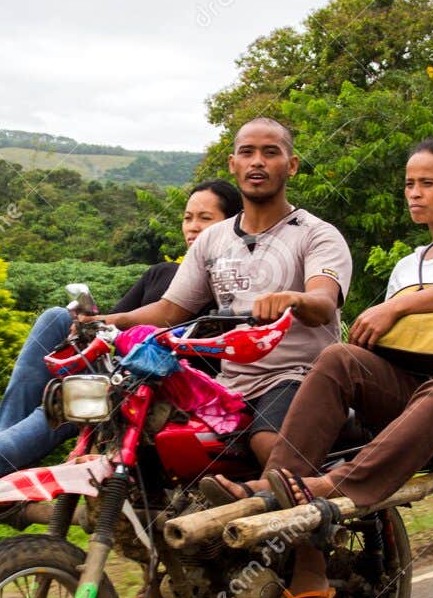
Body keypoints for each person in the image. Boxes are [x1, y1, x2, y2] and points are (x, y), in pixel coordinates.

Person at [208, 137, 433, 598]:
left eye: (427, 183)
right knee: (339, 358)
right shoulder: (409, 265)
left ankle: (327, 487)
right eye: (408, 184)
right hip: (416, 386)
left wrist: (394, 305)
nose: (414, 194)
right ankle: (274, 487)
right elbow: (400, 342)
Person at [0, 179, 242, 497]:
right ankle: (0, 445)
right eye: (187, 218)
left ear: (228, 226)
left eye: (205, 218)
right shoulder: (162, 274)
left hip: (162, 387)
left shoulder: (229, 286)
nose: (193, 227)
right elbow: (108, 325)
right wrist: (84, 322)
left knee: (76, 394)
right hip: (118, 368)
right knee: (55, 318)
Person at [93, 118, 353, 466]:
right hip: (230, 382)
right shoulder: (213, 239)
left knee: (266, 444)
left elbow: (323, 303)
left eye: (270, 153)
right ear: (233, 165)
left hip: (299, 375)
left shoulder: (316, 235)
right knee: (155, 436)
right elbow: (171, 311)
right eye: (247, 153)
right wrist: (109, 320)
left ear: (291, 166)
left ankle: (288, 507)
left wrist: (293, 299)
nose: (257, 161)